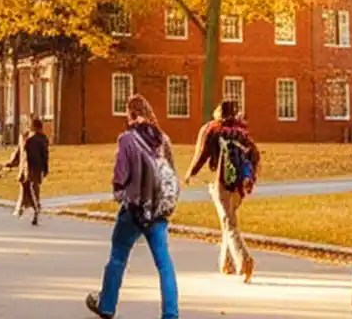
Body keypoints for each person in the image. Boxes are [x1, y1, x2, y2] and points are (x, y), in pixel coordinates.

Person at [86, 95, 178, 319]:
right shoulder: (163, 139)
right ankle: (170, 313)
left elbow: (121, 175)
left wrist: (119, 194)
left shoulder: (127, 139)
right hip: (158, 210)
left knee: (118, 255)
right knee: (164, 263)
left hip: (135, 209)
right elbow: (172, 172)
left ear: (131, 114)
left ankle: (107, 305)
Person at [186, 100, 259, 282]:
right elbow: (255, 156)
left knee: (229, 223)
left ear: (219, 112)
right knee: (228, 219)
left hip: (222, 182)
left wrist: (191, 173)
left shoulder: (212, 129)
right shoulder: (242, 132)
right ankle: (227, 264)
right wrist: (250, 179)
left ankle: (244, 261)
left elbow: (202, 154)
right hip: (240, 185)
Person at [4, 118, 50, 226]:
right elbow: (20, 152)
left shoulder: (36, 139)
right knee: (28, 189)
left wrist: (45, 168)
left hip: (32, 168)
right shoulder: (30, 138)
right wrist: (11, 162)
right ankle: (27, 208)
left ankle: (34, 209)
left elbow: (42, 155)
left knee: (32, 190)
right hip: (30, 168)